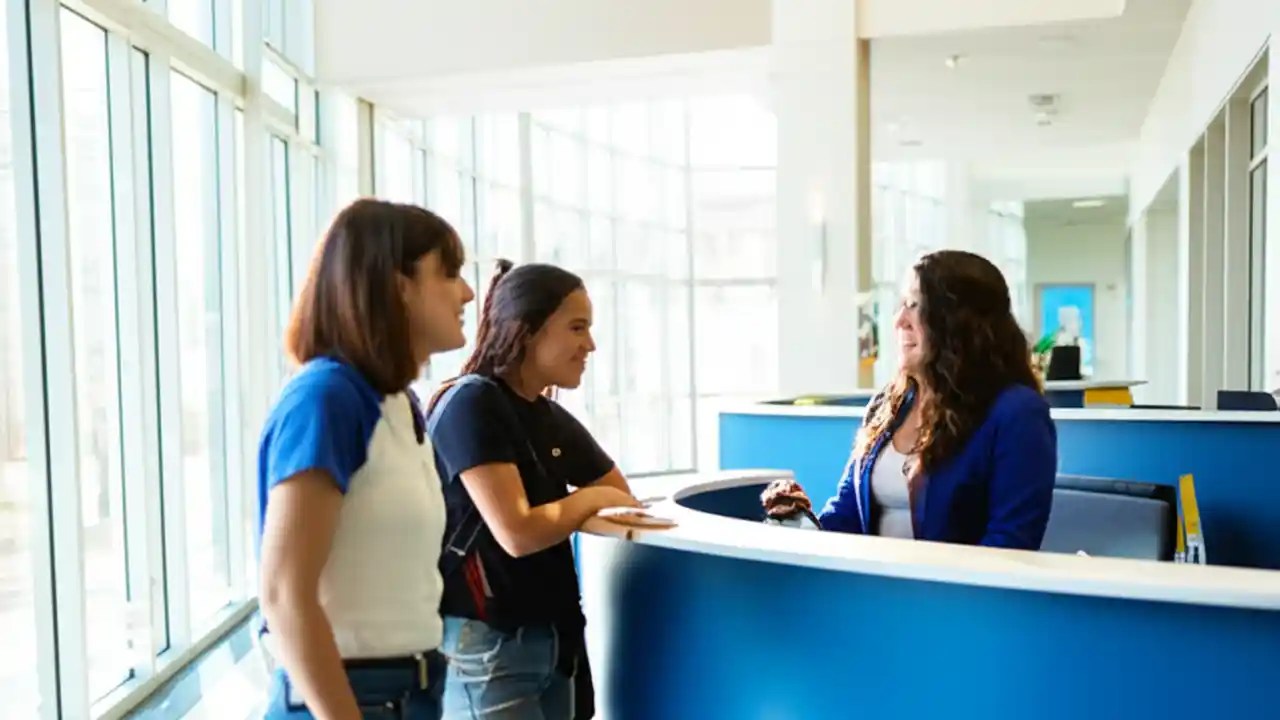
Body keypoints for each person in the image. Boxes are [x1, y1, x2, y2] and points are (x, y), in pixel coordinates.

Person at [257, 199, 474, 719]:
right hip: (354, 698)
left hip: (408, 691)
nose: (467, 293)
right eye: (449, 273)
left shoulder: (398, 403)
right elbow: (285, 592)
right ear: (398, 285)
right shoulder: (328, 398)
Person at [427, 260, 641, 720]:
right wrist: (586, 501)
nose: (590, 345)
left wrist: (583, 504)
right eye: (577, 327)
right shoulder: (472, 402)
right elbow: (518, 532)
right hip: (490, 647)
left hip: (554, 643)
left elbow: (621, 495)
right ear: (528, 330)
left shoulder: (546, 415)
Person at [763, 250, 1057, 549]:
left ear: (960, 321)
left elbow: (1011, 544)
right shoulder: (889, 403)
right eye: (902, 304)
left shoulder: (1016, 413)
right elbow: (847, 514)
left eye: (915, 305)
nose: (899, 320)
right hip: (870, 589)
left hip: (954, 593)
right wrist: (801, 522)